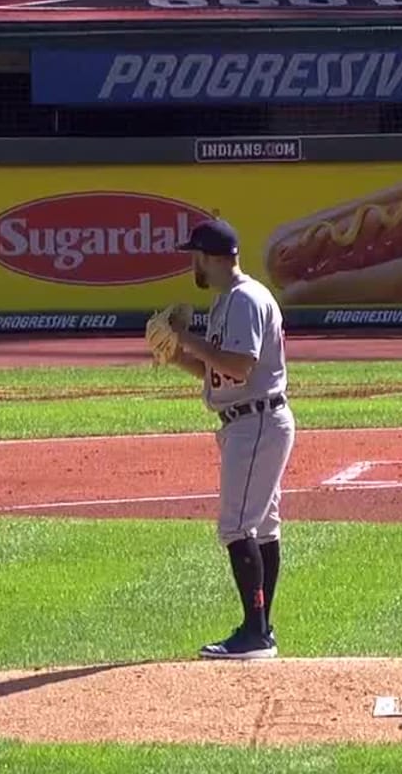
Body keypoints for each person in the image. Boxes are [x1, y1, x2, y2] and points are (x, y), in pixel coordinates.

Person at [168, 218, 295, 660]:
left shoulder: (244, 300)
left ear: (207, 258)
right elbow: (218, 372)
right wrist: (176, 356)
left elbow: (241, 365)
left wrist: (186, 338)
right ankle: (259, 627)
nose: (192, 266)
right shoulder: (227, 301)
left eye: (193, 257)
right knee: (261, 527)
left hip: (257, 422)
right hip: (250, 419)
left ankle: (255, 634)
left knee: (237, 527)